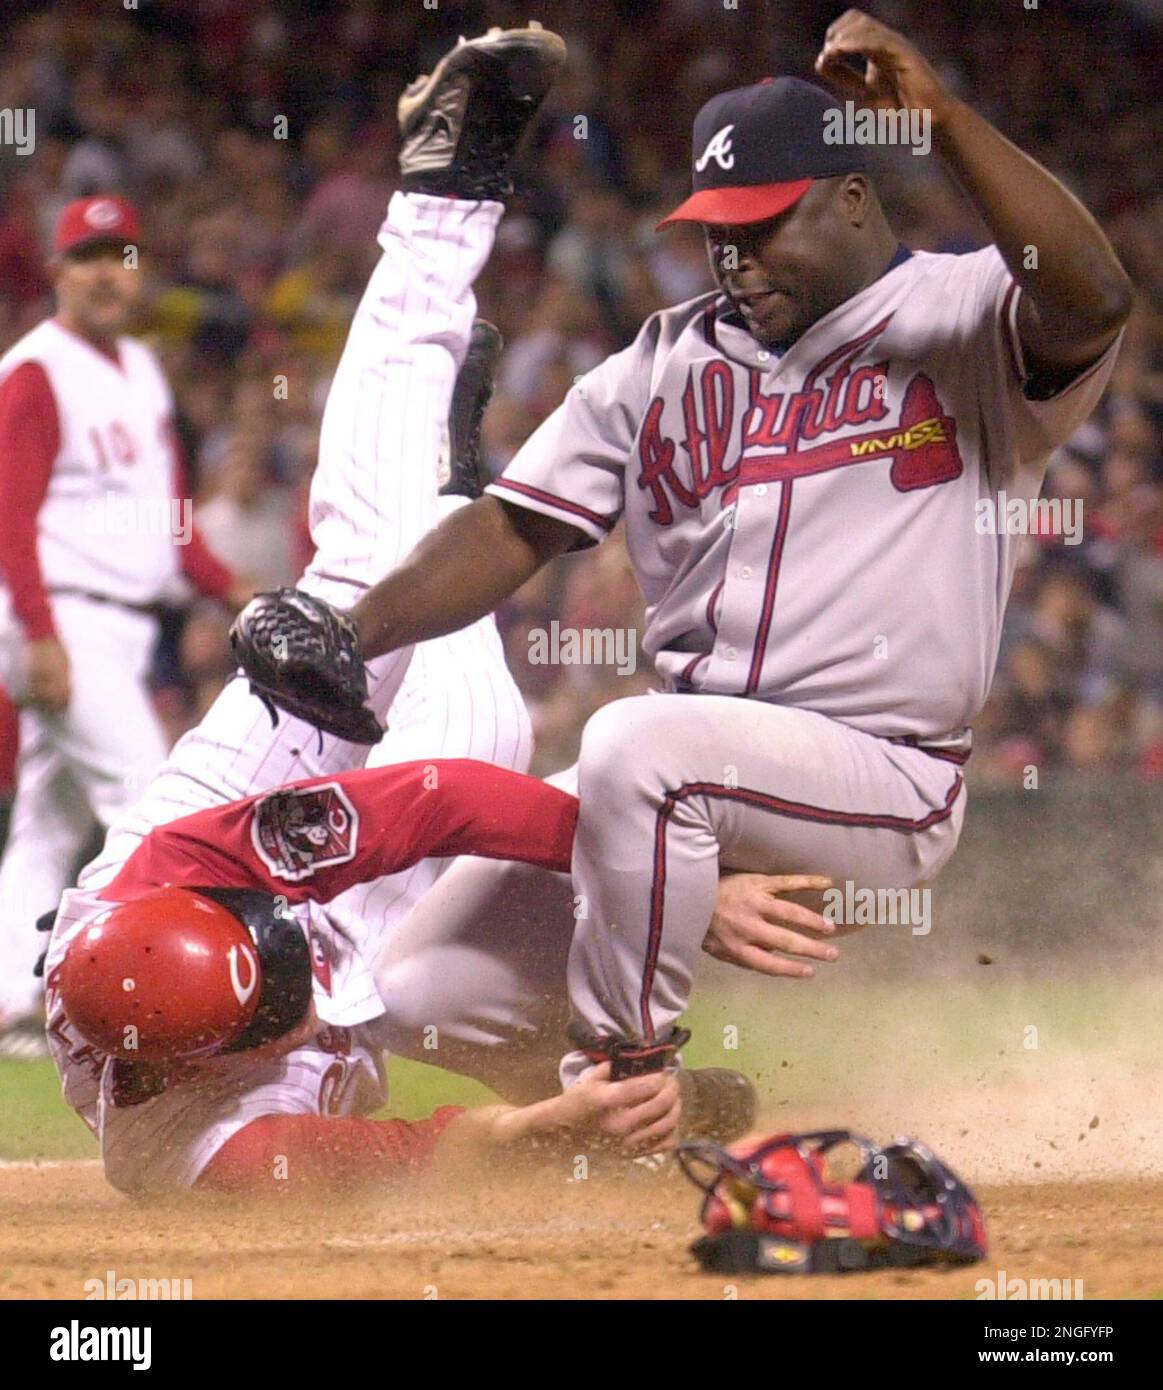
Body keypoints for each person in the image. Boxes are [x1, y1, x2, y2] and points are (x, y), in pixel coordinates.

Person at [235, 11, 1131, 1088]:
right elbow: (516, 524)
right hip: (688, 774)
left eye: (761, 226)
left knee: (637, 745)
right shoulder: (659, 359)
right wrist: (349, 626)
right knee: (423, 989)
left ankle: (621, 1078)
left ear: (851, 199)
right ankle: (659, 1127)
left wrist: (937, 119)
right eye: (716, 229)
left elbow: (1090, 293)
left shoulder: (961, 313)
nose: (732, 255)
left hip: (876, 771)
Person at [44, 755, 678, 1195]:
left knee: (483, 718)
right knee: (413, 1002)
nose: (299, 993)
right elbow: (420, 1155)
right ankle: (621, 1096)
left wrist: (654, 875)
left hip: (310, 895)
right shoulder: (210, 1152)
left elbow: (443, 797)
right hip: (248, 1095)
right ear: (204, 1062)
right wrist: (553, 1122)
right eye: (275, 1008)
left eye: (281, 967)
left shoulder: (183, 866)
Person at [0, 195, 250, 1053]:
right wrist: (37, 631)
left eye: (123, 256)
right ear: (58, 272)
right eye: (87, 256)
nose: (108, 273)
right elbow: (10, 512)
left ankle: (10, 1003)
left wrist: (231, 590)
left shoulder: (142, 369)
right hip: (61, 614)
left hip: (121, 622)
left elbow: (172, 517)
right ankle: (151, 1003)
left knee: (49, 823)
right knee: (149, 799)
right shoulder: (34, 370)